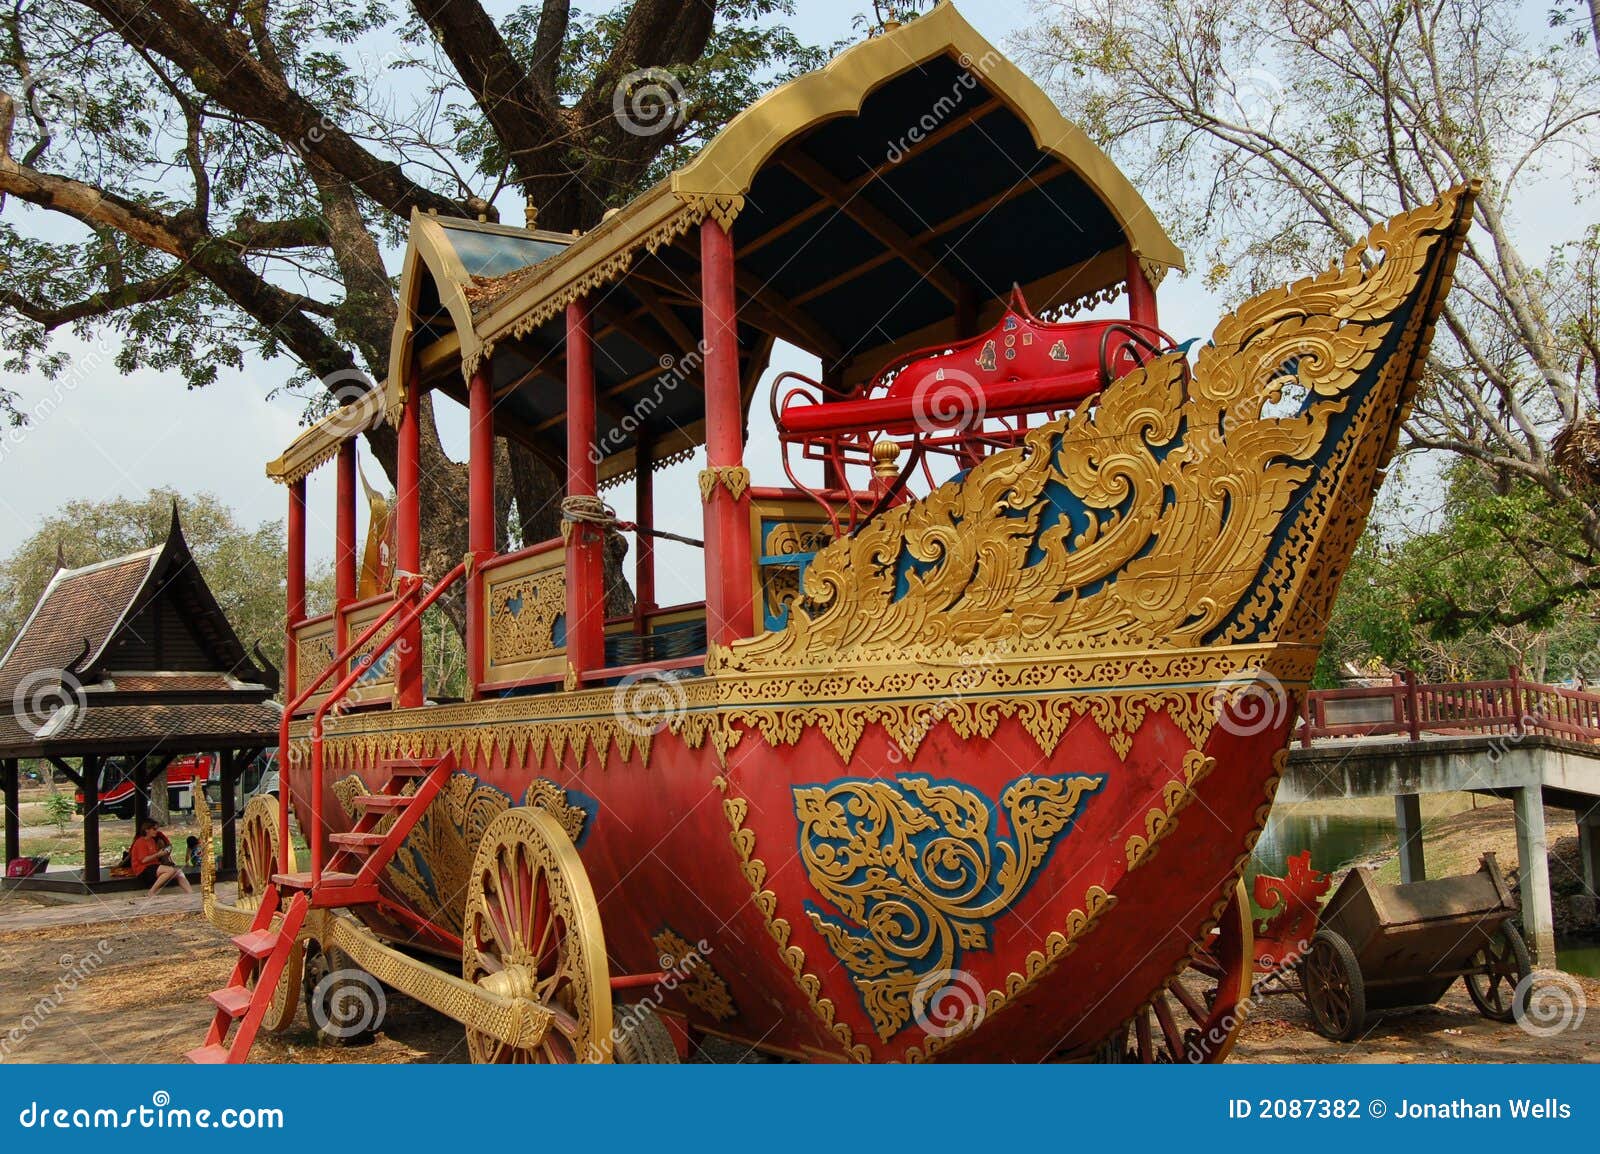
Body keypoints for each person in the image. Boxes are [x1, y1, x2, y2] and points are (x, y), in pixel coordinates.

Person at [130, 819, 192, 897]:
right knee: (170, 870)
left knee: (179, 872)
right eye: (154, 829)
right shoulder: (140, 842)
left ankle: (190, 893)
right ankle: (151, 892)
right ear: (147, 830)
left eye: (157, 829)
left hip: (153, 867)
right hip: (143, 870)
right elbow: (143, 860)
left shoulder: (152, 840)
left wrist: (164, 853)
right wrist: (158, 854)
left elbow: (156, 856)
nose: (156, 831)